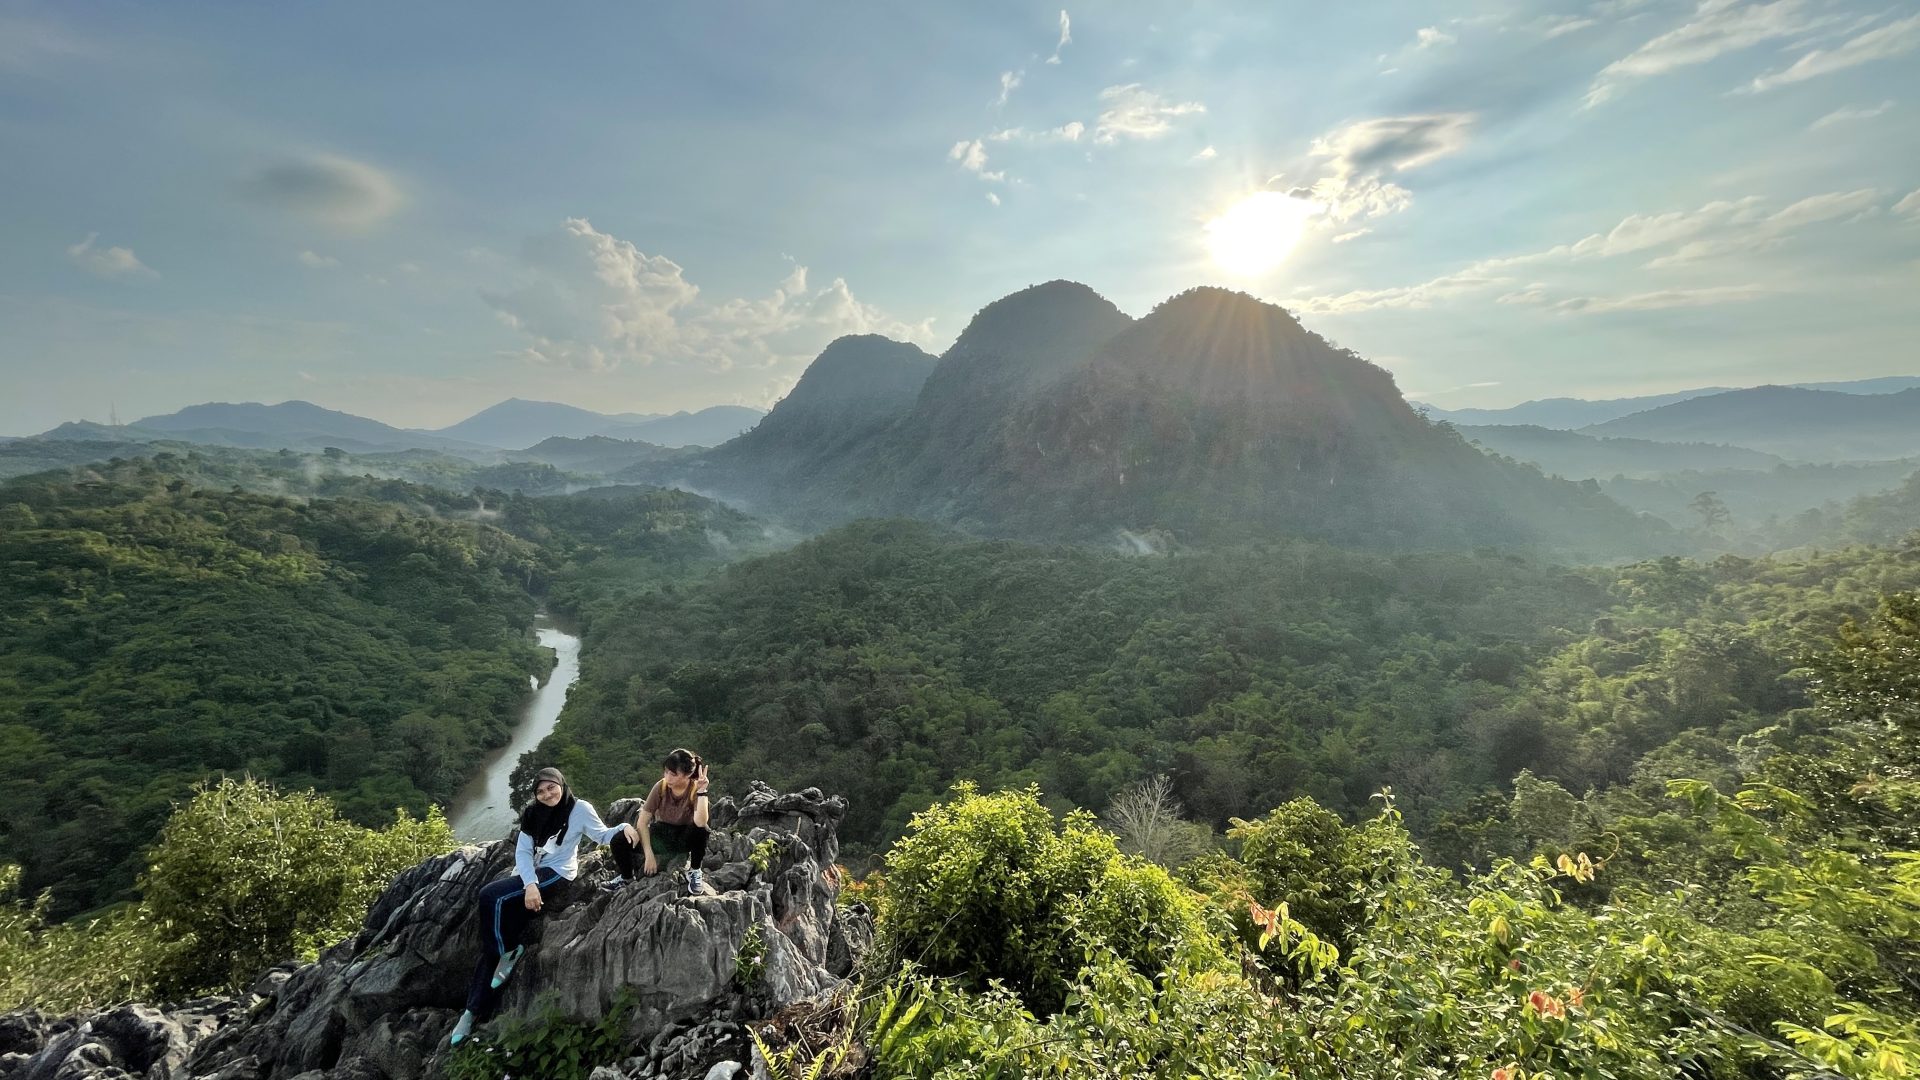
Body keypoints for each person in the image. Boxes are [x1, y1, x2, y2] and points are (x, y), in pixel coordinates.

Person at [449, 766, 633, 1046]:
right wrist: (529, 884)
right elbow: (522, 852)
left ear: (561, 784)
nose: (547, 794)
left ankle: (508, 952)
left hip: (558, 874)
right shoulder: (532, 814)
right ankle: (471, 1012)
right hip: (532, 875)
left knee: (489, 896)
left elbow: (603, 836)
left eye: (552, 787)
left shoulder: (578, 809)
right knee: (494, 937)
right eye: (541, 791)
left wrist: (626, 827)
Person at [605, 748, 715, 897]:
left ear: (687, 774)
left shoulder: (694, 789)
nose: (668, 778)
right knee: (619, 840)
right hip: (662, 834)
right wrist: (649, 854)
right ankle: (626, 877)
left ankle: (695, 871)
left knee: (702, 830)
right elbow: (642, 822)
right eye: (666, 772)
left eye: (673, 774)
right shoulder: (661, 787)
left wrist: (702, 792)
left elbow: (700, 822)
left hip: (685, 837)